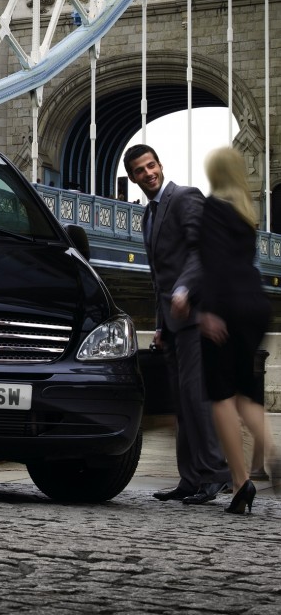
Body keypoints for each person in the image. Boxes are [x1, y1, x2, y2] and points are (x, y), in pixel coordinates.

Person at [123, 144, 231, 504]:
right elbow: (159, 279)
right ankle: (190, 478)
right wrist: (158, 324)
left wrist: (185, 289)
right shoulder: (147, 216)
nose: (148, 173)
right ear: (133, 177)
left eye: (151, 165)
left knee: (196, 397)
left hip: (196, 314)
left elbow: (202, 251)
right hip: (171, 323)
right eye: (140, 170)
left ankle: (215, 474)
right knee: (181, 402)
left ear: (160, 165)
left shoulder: (185, 198)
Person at [178, 147, 278, 514]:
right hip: (257, 304)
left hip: (227, 307)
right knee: (247, 395)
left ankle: (240, 483)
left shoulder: (212, 209)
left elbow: (213, 265)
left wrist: (208, 310)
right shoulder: (247, 214)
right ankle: (274, 455)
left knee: (220, 396)